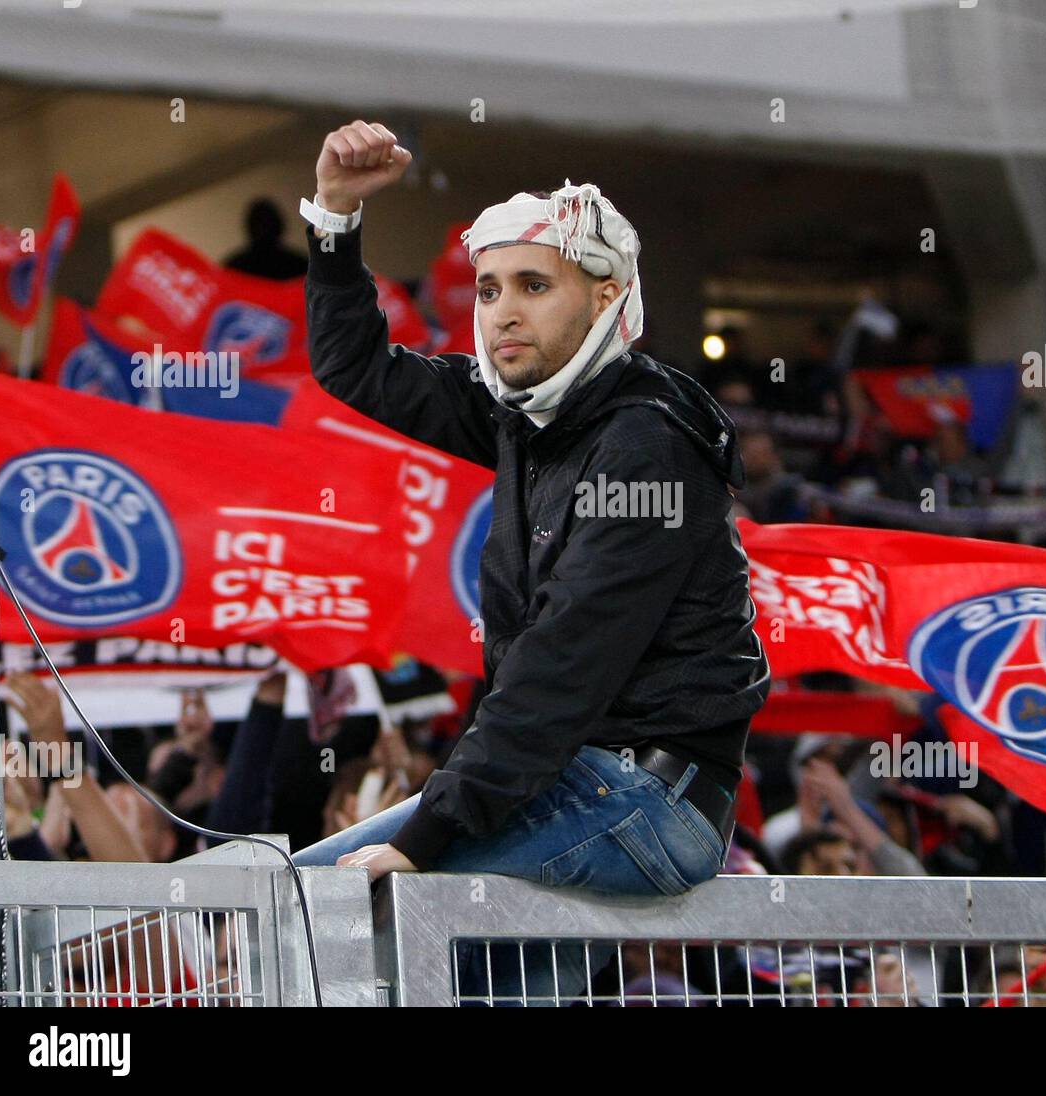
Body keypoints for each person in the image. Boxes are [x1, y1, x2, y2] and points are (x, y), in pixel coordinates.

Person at [293, 120, 771, 1003]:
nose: (501, 310)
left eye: (533, 285)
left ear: (605, 299)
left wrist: (428, 837)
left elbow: (562, 665)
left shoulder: (643, 449)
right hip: (577, 780)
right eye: (485, 288)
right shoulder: (530, 413)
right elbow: (356, 369)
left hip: (644, 801)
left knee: (296, 909)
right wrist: (335, 216)